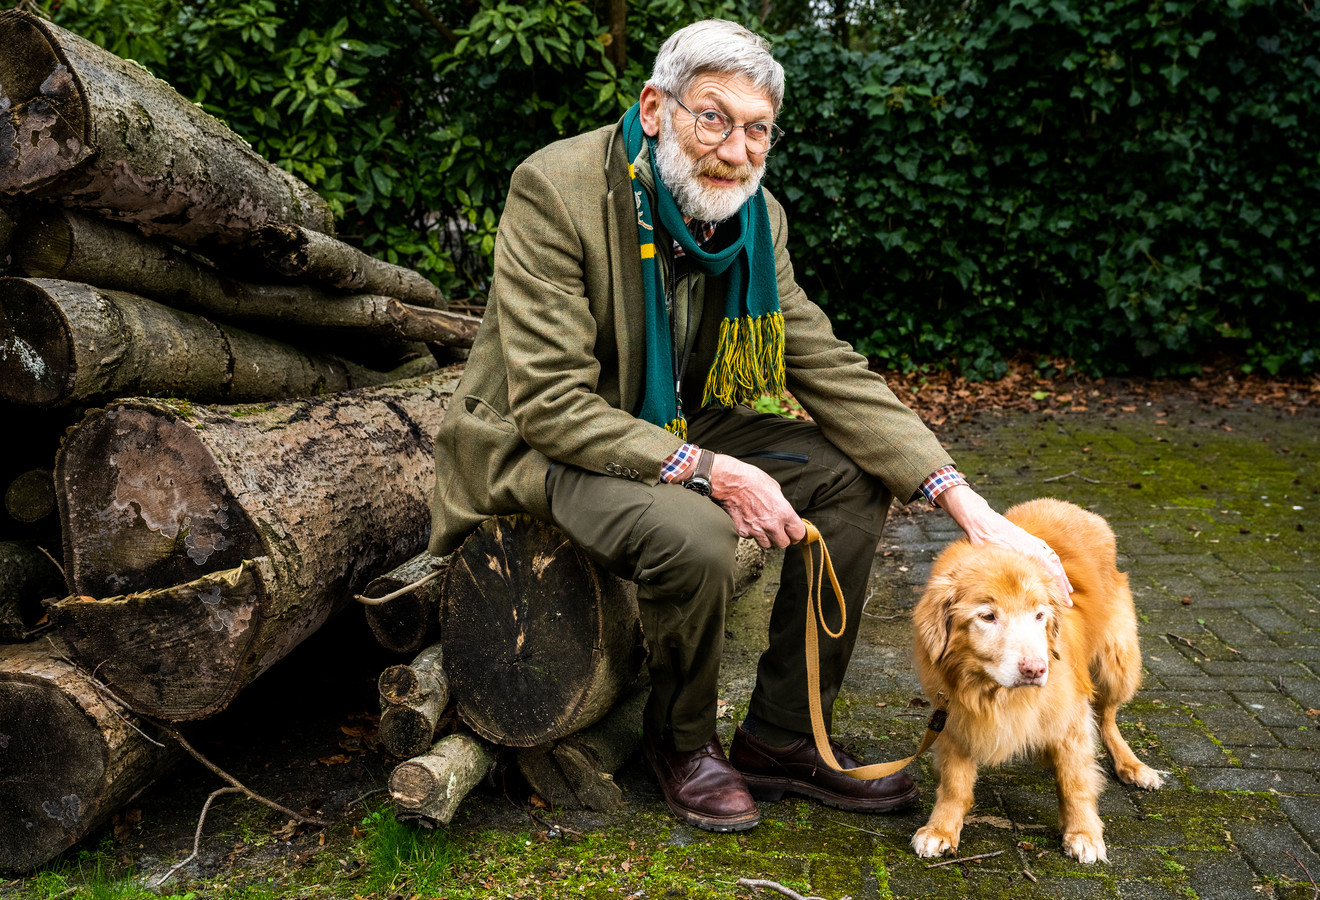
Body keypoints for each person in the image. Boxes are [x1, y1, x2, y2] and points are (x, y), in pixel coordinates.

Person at [427, 19, 1071, 833]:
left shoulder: (755, 218)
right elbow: (551, 401)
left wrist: (960, 500)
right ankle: (680, 741)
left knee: (851, 477)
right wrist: (713, 470)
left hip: (670, 419)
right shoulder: (557, 188)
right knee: (697, 533)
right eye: (713, 118)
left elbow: (824, 362)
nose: (735, 151)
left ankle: (784, 737)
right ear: (654, 109)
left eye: (758, 129)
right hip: (538, 444)